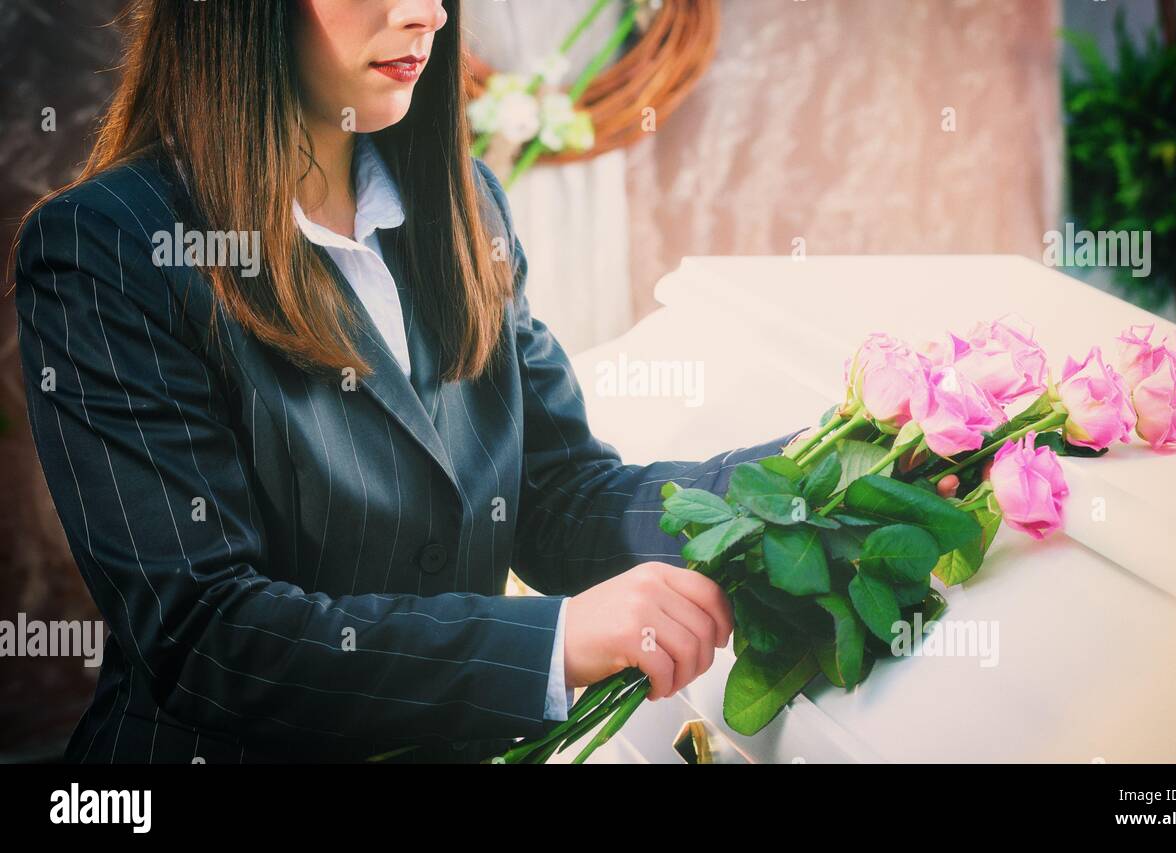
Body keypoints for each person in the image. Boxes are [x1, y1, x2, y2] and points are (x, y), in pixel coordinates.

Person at [12, 0, 793, 763]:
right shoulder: (107, 246)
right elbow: (207, 634)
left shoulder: (467, 206)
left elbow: (558, 498)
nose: (428, 15)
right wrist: (554, 644)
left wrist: (808, 481)